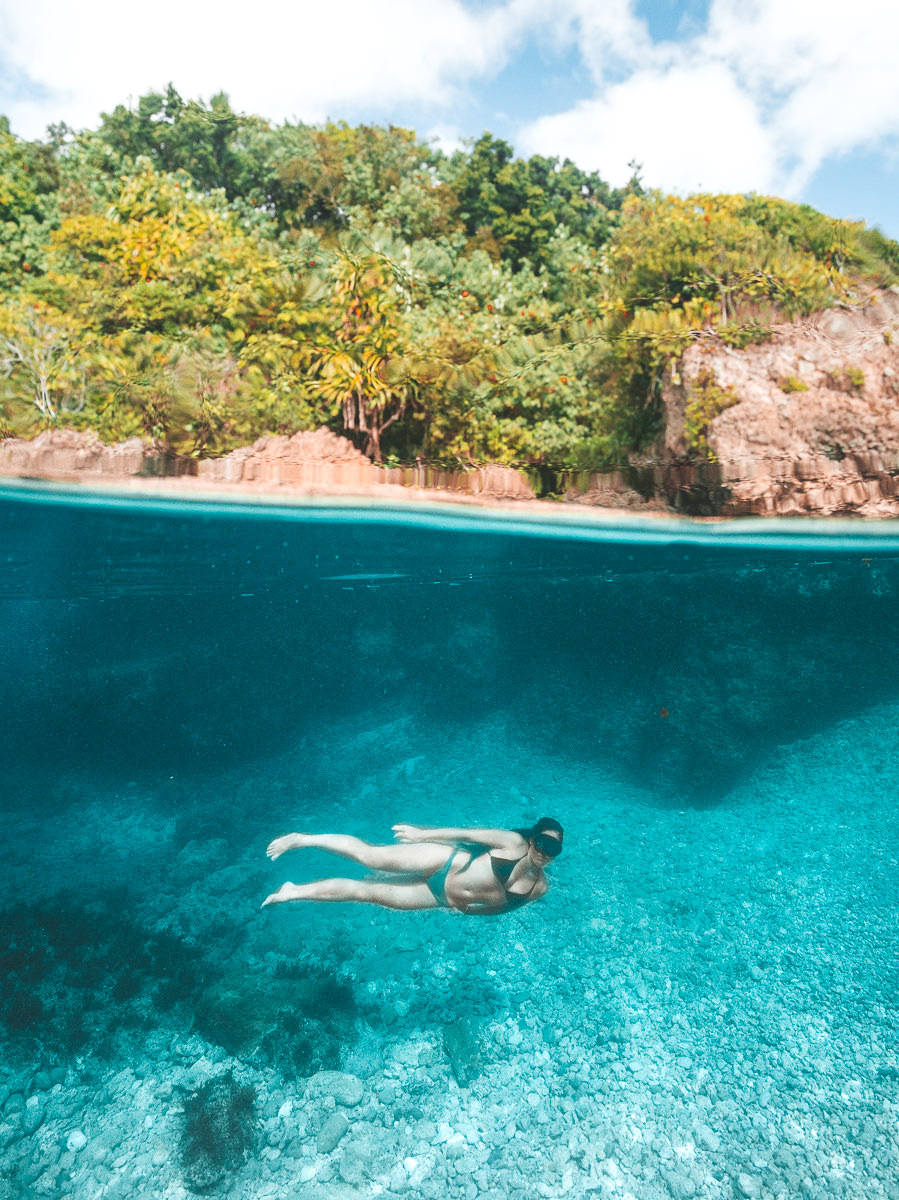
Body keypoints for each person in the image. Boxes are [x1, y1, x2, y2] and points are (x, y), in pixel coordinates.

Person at [261, 818, 563, 915]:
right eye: (541, 843)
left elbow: (504, 909)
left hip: (437, 897)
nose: (544, 852)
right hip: (446, 861)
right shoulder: (512, 842)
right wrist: (422, 835)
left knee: (363, 892)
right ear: (531, 838)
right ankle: (303, 839)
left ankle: (293, 891)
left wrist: (469, 910)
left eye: (554, 849)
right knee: (371, 857)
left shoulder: (540, 889)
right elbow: (467, 835)